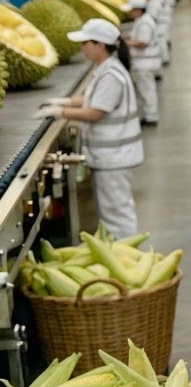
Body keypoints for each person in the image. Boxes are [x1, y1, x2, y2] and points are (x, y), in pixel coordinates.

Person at [33, 19, 144, 238]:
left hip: (114, 158)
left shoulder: (111, 74)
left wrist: (60, 113)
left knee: (117, 214)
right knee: (112, 211)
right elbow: (91, 99)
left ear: (100, 45)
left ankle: (126, 258)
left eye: (86, 43)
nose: (82, 48)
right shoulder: (106, 69)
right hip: (110, 158)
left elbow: (95, 113)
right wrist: (64, 102)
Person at [122, 0, 161, 125]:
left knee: (147, 90)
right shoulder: (142, 20)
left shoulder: (145, 22)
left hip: (145, 63)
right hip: (143, 63)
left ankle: (151, 116)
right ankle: (149, 114)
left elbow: (143, 42)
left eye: (132, 10)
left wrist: (126, 43)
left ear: (138, 10)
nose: (129, 12)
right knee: (145, 89)